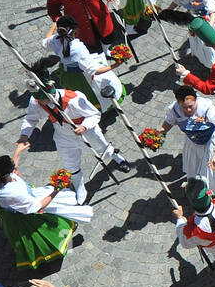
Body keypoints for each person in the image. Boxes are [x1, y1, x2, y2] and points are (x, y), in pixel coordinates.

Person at [14, 71, 133, 205]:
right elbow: (31, 118)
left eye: (45, 100)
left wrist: (84, 126)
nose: (42, 103)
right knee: (70, 163)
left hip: (87, 134)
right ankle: (79, 186)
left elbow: (94, 114)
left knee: (103, 150)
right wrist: (24, 135)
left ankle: (116, 156)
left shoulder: (74, 98)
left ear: (52, 93)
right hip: (63, 137)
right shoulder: (37, 101)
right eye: (40, 100)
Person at [0, 154, 92, 270]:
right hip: (24, 214)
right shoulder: (13, 193)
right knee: (42, 234)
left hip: (17, 203)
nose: (15, 169)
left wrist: (19, 150)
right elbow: (37, 206)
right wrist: (56, 190)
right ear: (7, 174)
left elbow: (13, 165)